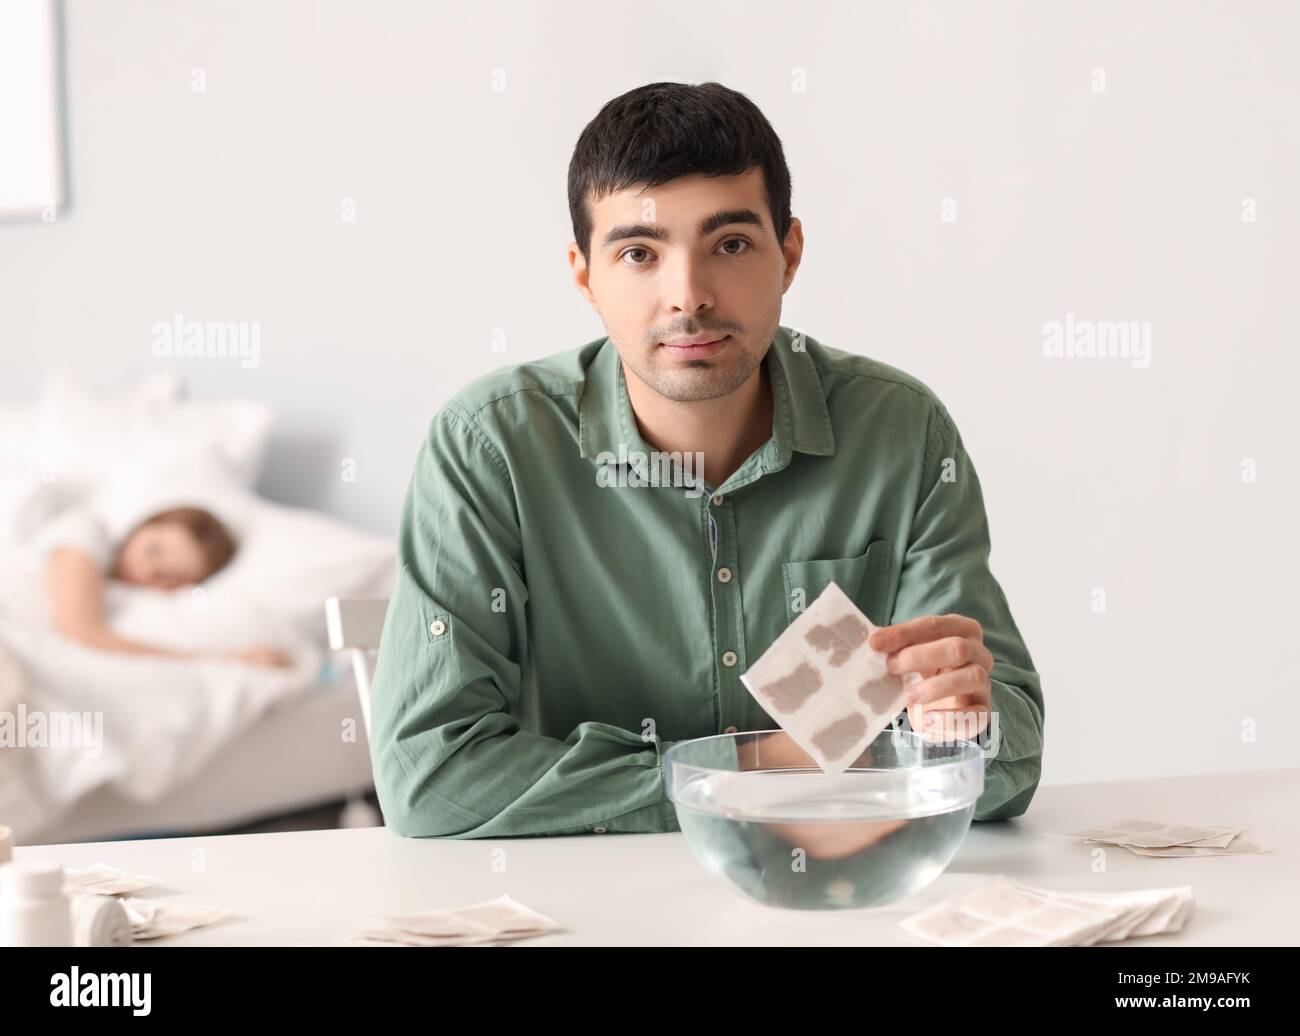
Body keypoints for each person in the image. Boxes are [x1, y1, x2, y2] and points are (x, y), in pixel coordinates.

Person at [369, 82, 1045, 841]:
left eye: (729, 245)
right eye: (638, 253)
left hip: (844, 899)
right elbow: (432, 780)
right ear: (585, 274)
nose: (687, 297)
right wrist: (759, 773)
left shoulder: (901, 432)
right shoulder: (490, 446)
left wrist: (961, 729)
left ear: (788, 254)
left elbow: (1007, 767)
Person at [43, 504, 289, 667]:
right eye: (152, 550)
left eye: (170, 576)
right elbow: (82, 630)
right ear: (143, 526)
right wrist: (225, 660)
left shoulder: (127, 597)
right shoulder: (85, 534)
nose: (146, 571)